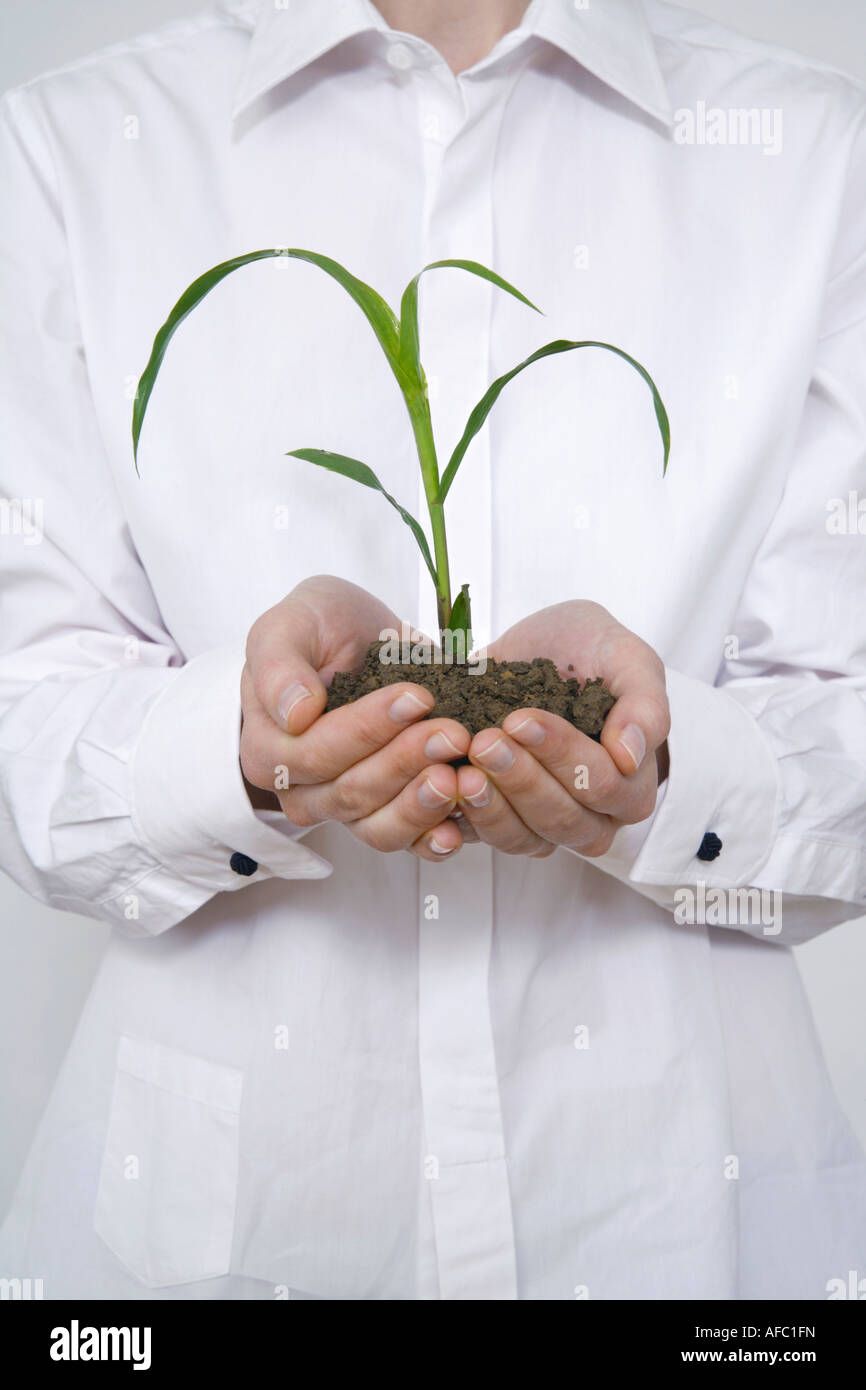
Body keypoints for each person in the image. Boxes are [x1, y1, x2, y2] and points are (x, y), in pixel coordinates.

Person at [1, 0, 864, 1301]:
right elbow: (26, 731)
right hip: (219, 1248)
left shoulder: (812, 155)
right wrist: (237, 750)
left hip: (687, 1233)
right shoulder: (72, 148)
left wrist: (669, 765)